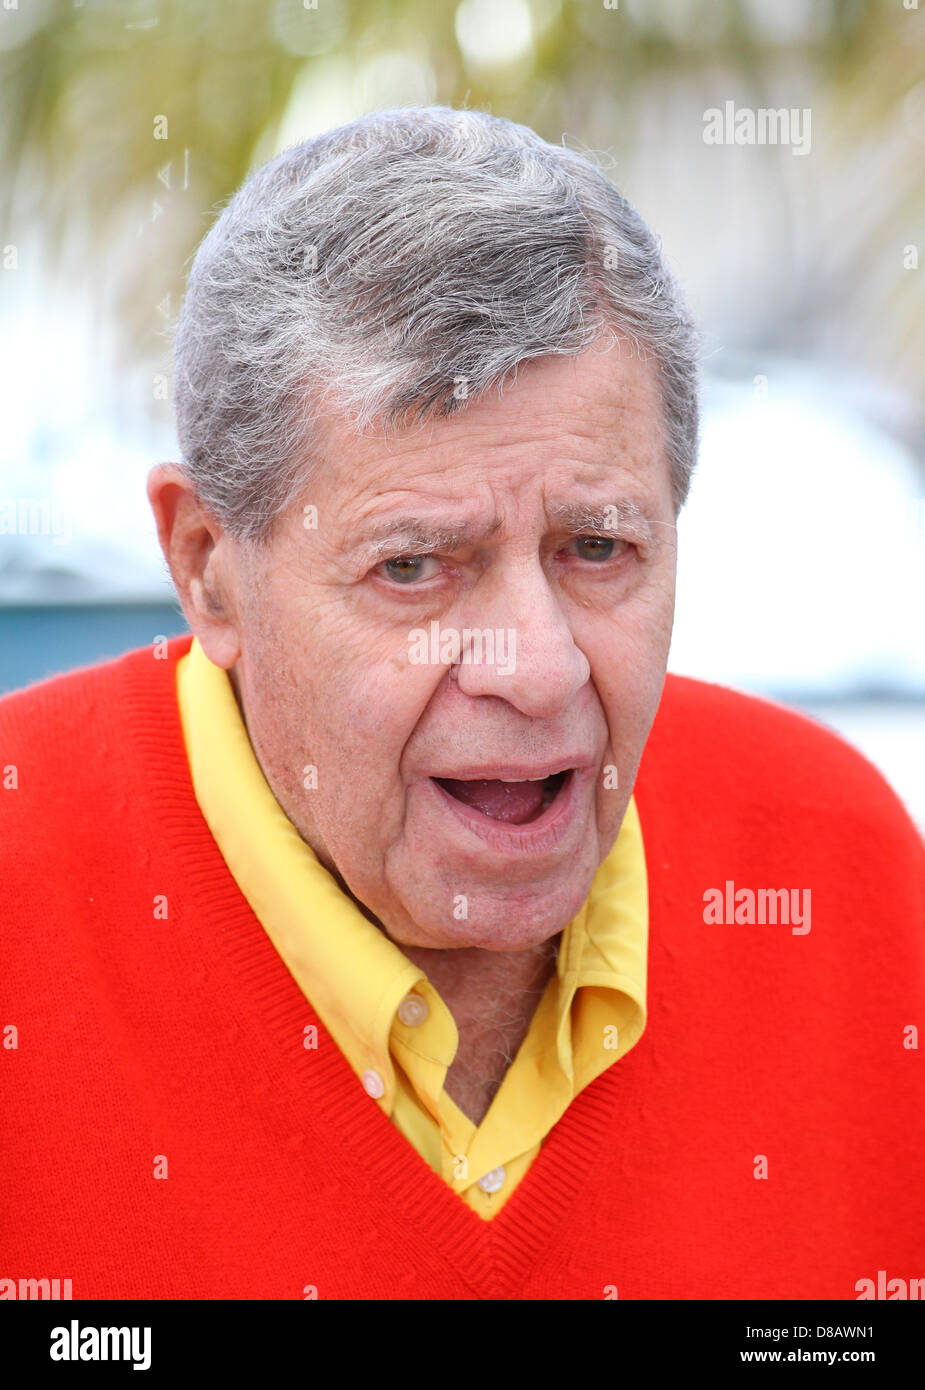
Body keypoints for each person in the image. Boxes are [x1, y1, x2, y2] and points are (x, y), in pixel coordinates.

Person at [2, 106, 922, 1301]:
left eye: (597, 547)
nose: (534, 667)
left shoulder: (839, 867)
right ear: (207, 567)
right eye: (416, 566)